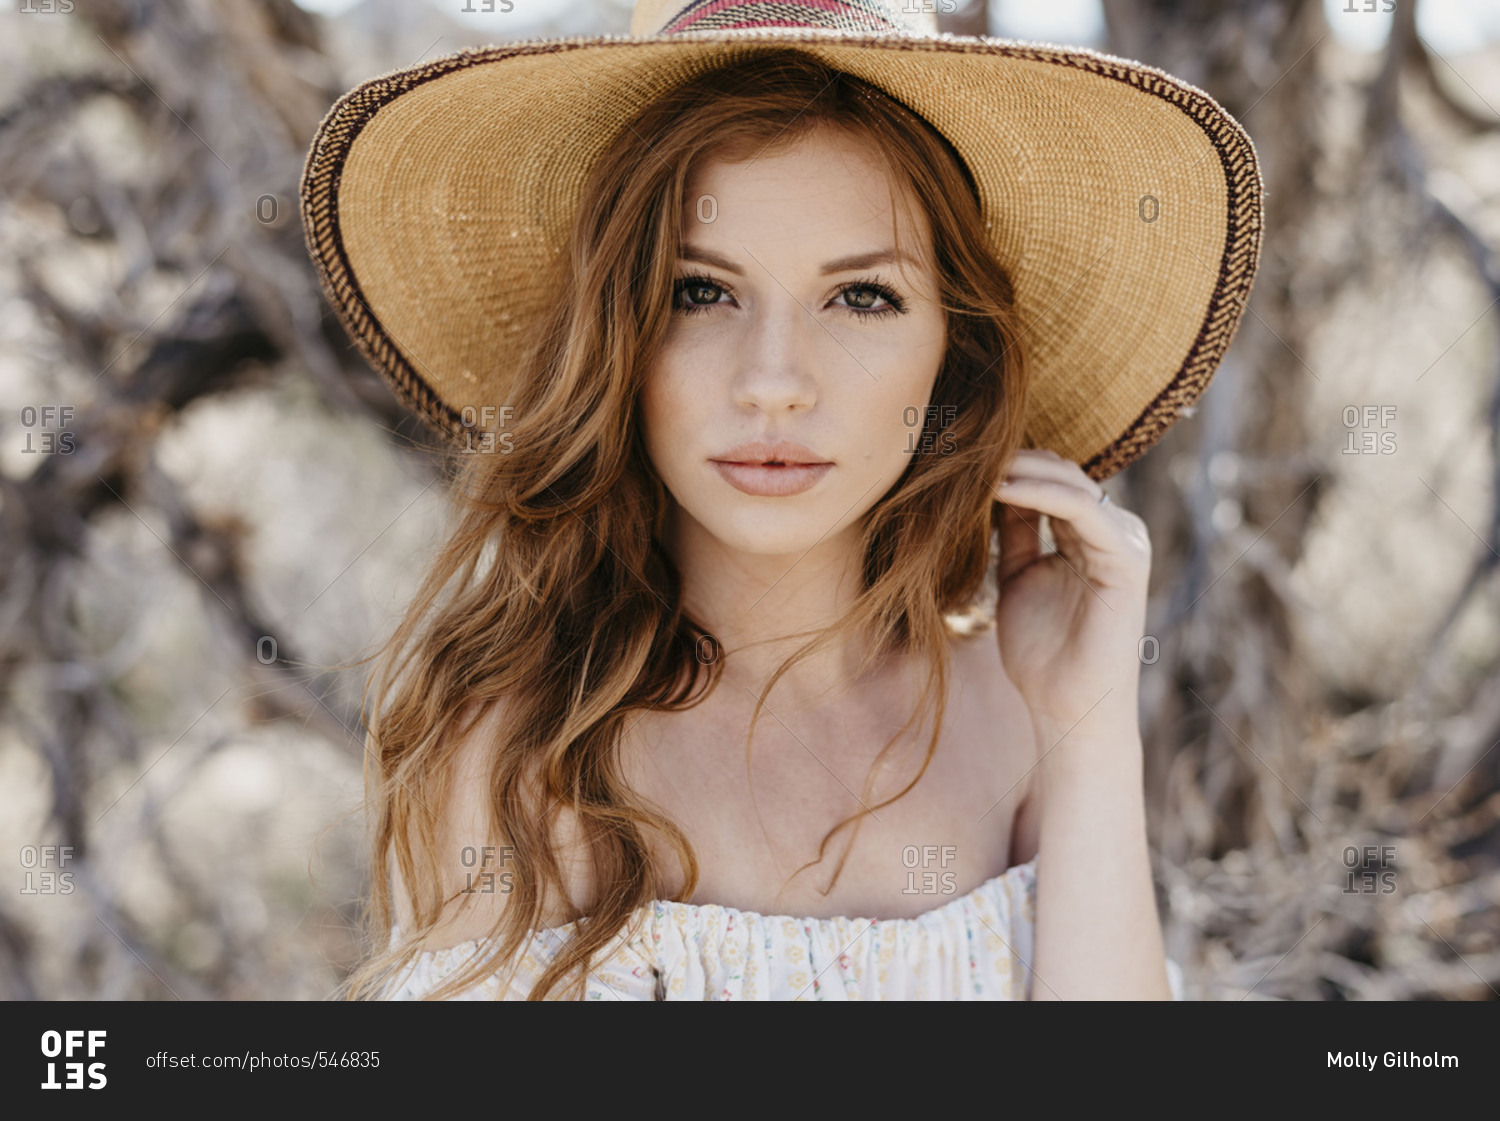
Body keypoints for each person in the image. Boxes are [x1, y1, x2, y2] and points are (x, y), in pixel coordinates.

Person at [299, 0, 1263, 1000]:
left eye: (861, 297)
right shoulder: (524, 757)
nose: (774, 381)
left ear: (954, 353)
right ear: (618, 337)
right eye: (700, 291)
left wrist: (1089, 726)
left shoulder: (1012, 715)